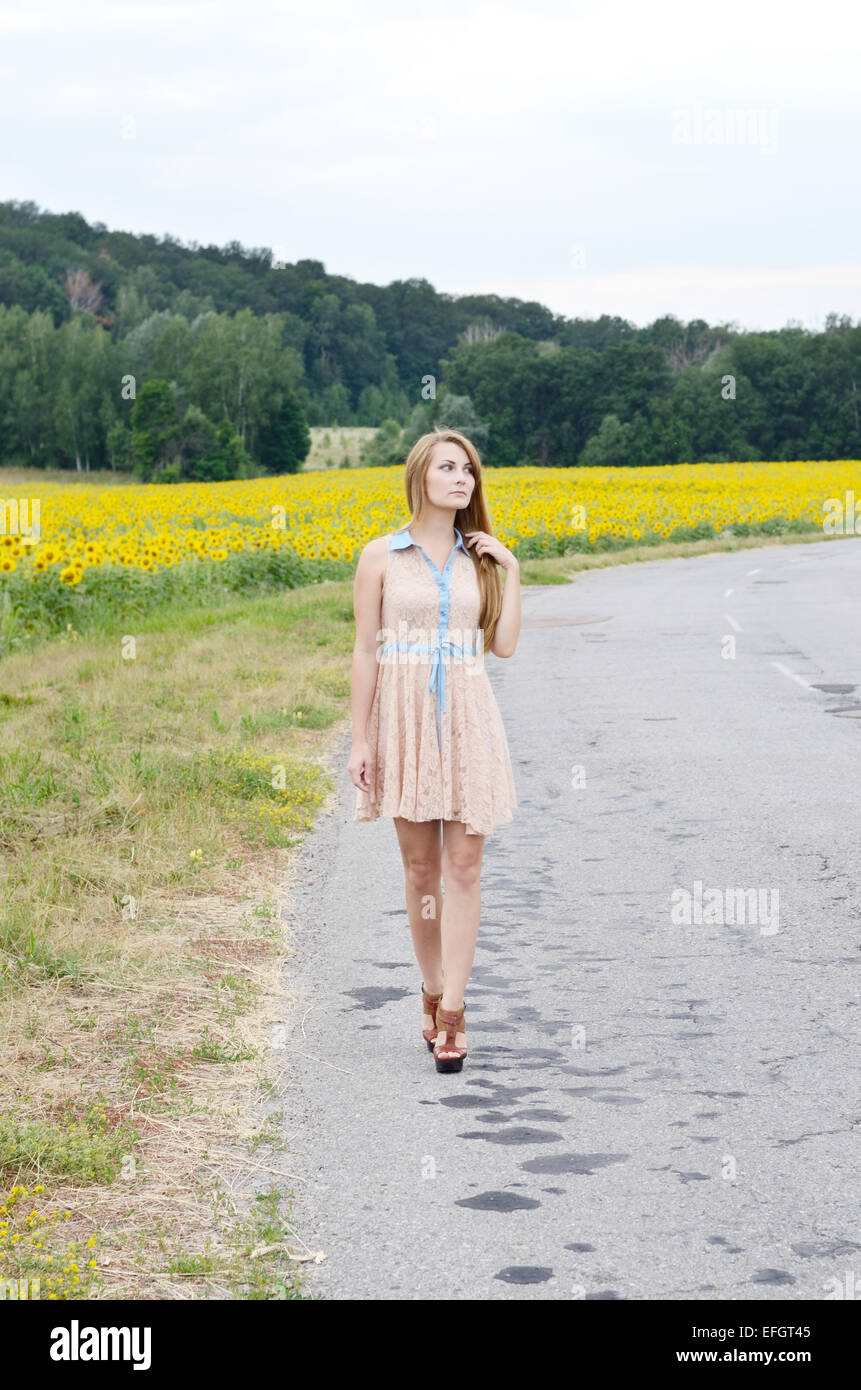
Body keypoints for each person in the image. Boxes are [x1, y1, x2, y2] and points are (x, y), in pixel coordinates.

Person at [348, 428, 520, 1073]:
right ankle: (428, 984)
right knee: (421, 871)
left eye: (469, 469)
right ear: (421, 475)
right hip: (405, 717)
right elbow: (366, 650)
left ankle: (453, 1010)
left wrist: (513, 570)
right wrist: (361, 739)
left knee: (466, 868)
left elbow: (502, 647)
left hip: (470, 716)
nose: (462, 478)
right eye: (448, 467)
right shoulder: (380, 556)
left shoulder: (482, 557)